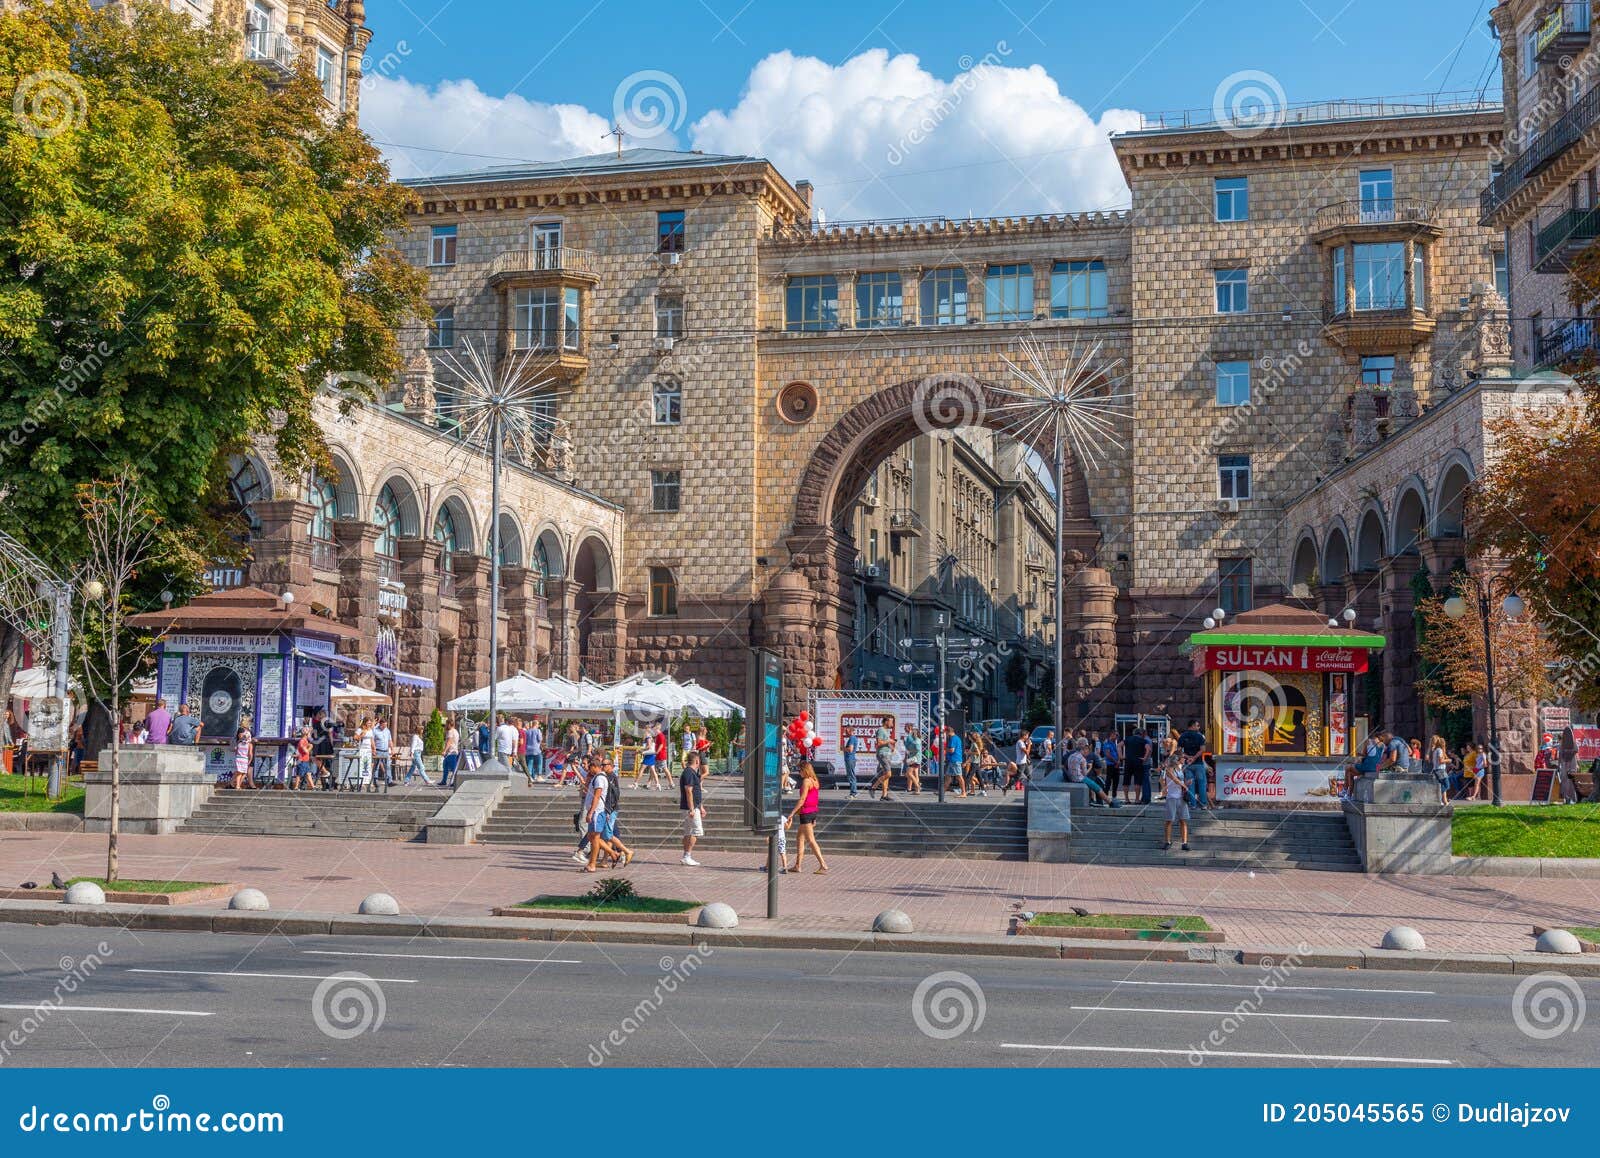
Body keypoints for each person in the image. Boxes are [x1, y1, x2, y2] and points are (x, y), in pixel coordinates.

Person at [788, 761, 828, 874]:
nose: (799, 773)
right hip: (812, 811)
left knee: (811, 840)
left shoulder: (806, 781)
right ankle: (798, 865)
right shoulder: (815, 781)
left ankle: (823, 864)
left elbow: (802, 799)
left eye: (799, 770)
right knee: (800, 837)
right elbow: (814, 798)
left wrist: (792, 813)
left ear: (804, 770)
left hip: (806, 813)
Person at [1066, 738, 1121, 807]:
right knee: (1097, 787)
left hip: (1072, 778)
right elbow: (1085, 774)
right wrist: (1090, 767)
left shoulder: (1071, 756)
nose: (1088, 753)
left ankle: (1101, 801)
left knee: (1095, 784)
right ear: (1084, 749)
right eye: (1087, 750)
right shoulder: (1082, 759)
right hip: (1080, 779)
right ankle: (1110, 803)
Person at [680, 749, 706, 865]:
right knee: (696, 831)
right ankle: (687, 855)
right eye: (699, 760)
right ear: (696, 760)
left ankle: (686, 855)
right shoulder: (689, 773)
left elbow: (696, 792)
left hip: (692, 807)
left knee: (688, 832)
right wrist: (692, 809)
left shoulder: (691, 772)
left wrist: (701, 806)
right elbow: (689, 791)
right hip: (690, 808)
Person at [1176, 719, 1208, 808]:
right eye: (1197, 725)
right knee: (1202, 784)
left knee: (1190, 784)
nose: (1198, 727)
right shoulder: (1200, 736)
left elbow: (1179, 751)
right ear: (1192, 726)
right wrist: (1194, 758)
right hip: (1198, 763)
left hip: (1187, 764)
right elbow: (1202, 750)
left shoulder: (1182, 736)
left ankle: (1192, 804)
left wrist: (1187, 757)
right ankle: (1203, 804)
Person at [1160, 756, 1190, 851]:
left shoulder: (1180, 769)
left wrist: (1186, 784)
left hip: (1181, 797)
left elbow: (1180, 781)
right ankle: (1167, 841)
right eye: (1182, 758)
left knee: (1183, 820)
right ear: (1176, 760)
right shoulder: (1169, 770)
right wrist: (1184, 785)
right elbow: (1174, 779)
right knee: (1169, 820)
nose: (1184, 759)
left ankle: (1184, 843)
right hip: (1172, 797)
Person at [870, 715, 895, 800]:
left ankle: (884, 795)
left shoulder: (886, 731)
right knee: (888, 774)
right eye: (891, 721)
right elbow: (879, 743)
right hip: (882, 754)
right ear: (886, 721)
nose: (892, 723)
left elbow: (885, 742)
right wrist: (889, 741)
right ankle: (873, 787)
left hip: (887, 754)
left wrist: (891, 746)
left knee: (886, 775)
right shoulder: (881, 730)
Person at [1124, 727, 1151, 804]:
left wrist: (1121, 756)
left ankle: (1126, 799)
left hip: (1128, 761)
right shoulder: (1143, 740)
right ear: (1141, 734)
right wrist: (1145, 758)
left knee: (1126, 781)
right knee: (1137, 781)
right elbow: (1148, 749)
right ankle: (1136, 799)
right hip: (1138, 761)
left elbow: (1119, 745)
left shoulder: (1128, 739)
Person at [1557, 726, 1580, 804]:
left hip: (1567, 765)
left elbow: (1560, 757)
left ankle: (1569, 797)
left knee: (1567, 781)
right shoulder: (1571, 744)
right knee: (1569, 781)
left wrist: (1559, 764)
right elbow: (1576, 751)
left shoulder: (1564, 745)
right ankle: (1570, 798)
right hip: (1569, 765)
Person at [290, 725, 316, 790]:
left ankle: (313, 787)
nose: (310, 734)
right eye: (309, 732)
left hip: (306, 760)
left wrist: (309, 745)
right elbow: (306, 751)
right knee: (299, 774)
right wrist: (311, 747)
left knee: (308, 774)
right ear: (306, 734)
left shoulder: (306, 741)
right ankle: (296, 787)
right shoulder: (302, 741)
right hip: (302, 760)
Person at [231, 717, 255, 791]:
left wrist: (253, 739)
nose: (250, 723)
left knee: (243, 771)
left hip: (246, 751)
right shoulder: (242, 729)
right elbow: (240, 737)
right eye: (249, 721)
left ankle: (236, 784)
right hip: (243, 752)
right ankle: (236, 784)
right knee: (240, 771)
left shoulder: (248, 730)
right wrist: (247, 737)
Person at [371, 715, 393, 791]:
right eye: (383, 725)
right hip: (378, 750)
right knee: (376, 767)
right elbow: (372, 740)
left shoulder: (387, 731)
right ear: (380, 724)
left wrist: (392, 749)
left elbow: (390, 740)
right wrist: (373, 749)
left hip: (386, 751)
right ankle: (375, 781)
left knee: (388, 766)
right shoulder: (375, 730)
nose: (385, 727)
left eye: (386, 725)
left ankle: (389, 781)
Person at [1426, 734, 1451, 803]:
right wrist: (1449, 760)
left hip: (1436, 770)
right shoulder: (1439, 750)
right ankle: (1439, 798)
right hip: (1440, 770)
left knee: (1442, 785)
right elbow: (1441, 761)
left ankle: (1444, 801)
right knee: (1446, 785)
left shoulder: (1435, 750)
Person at [943, 725, 966, 797]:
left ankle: (963, 793)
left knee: (959, 776)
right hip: (952, 760)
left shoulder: (953, 738)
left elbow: (952, 750)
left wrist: (944, 749)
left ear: (948, 732)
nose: (945, 735)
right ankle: (942, 792)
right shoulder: (957, 738)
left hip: (955, 760)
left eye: (945, 733)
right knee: (948, 776)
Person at [902, 724, 923, 794]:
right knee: (915, 774)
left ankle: (917, 786)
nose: (912, 734)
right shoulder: (916, 740)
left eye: (913, 733)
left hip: (914, 759)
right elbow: (909, 747)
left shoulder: (916, 740)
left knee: (909, 773)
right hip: (915, 758)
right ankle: (917, 790)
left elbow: (916, 749)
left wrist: (910, 751)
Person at [440, 716, 461, 788]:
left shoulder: (450, 732)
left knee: (453, 768)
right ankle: (444, 780)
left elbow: (449, 741)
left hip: (451, 752)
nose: (445, 726)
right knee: (445, 765)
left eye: (446, 724)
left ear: (449, 724)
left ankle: (454, 782)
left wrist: (444, 751)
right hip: (454, 751)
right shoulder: (456, 731)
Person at [841, 729, 859, 799]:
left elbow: (850, 749)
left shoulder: (852, 738)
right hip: (850, 759)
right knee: (851, 776)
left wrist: (843, 748)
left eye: (847, 731)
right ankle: (853, 792)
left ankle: (853, 793)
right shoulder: (853, 738)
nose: (845, 732)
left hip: (850, 759)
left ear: (851, 731)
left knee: (851, 776)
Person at [525, 716, 544, 782]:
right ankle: (539, 775)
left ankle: (529, 777)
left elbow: (525, 741)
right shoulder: (538, 731)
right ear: (536, 724)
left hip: (528, 749)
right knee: (539, 762)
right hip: (536, 749)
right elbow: (540, 739)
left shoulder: (527, 731)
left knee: (530, 763)